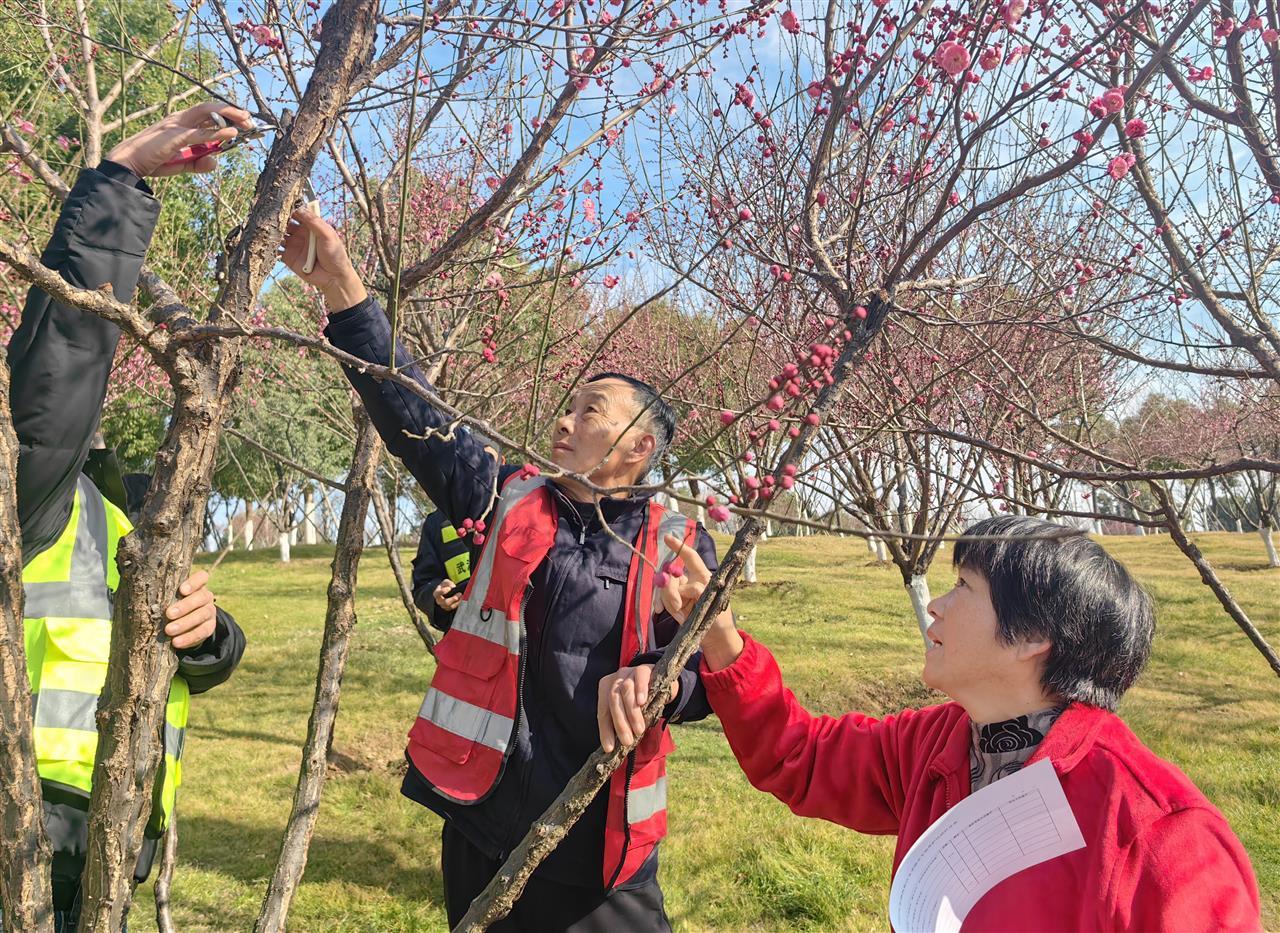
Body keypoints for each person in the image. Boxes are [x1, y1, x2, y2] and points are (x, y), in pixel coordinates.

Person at [280, 210, 719, 931]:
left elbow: (708, 672)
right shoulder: (508, 497)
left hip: (602, 843)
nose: (565, 420)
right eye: (568, 405)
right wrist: (343, 288)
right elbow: (415, 414)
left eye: (591, 411)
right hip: (485, 820)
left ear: (640, 445)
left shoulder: (675, 543)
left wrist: (658, 680)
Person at [639, 515, 1261, 931]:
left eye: (964, 585)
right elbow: (799, 755)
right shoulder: (939, 744)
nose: (935, 602)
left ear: (1035, 636)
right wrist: (718, 635)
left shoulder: (1159, 835)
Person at [8, 103, 250, 929]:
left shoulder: (121, 502)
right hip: (30, 826)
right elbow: (59, 367)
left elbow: (188, 647)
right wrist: (119, 180)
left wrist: (209, 633)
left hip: (104, 836)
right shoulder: (30, 485)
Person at [410, 507, 474, 632]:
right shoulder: (436, 522)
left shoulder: (514, 504)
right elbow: (422, 585)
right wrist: (438, 597)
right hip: (466, 636)